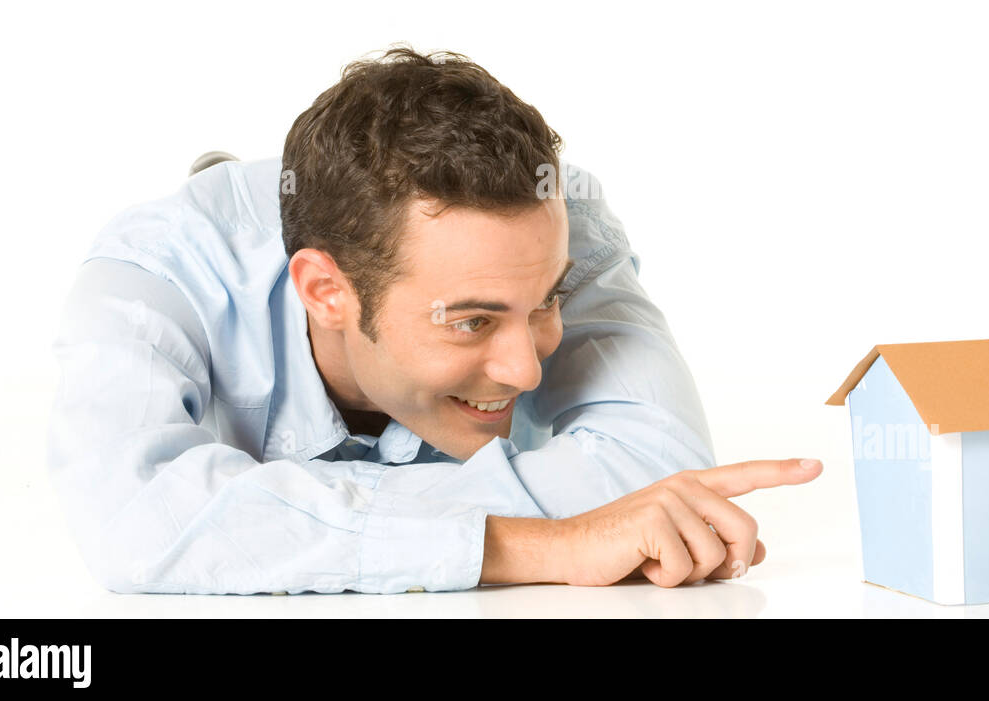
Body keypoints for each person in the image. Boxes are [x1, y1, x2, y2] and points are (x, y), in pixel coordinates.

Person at [46, 45, 823, 595]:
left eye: (549, 300)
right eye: (473, 323)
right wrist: (535, 546)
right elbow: (140, 519)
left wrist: (260, 513)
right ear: (324, 291)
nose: (525, 370)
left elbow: (653, 471)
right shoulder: (151, 274)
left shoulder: (555, 218)